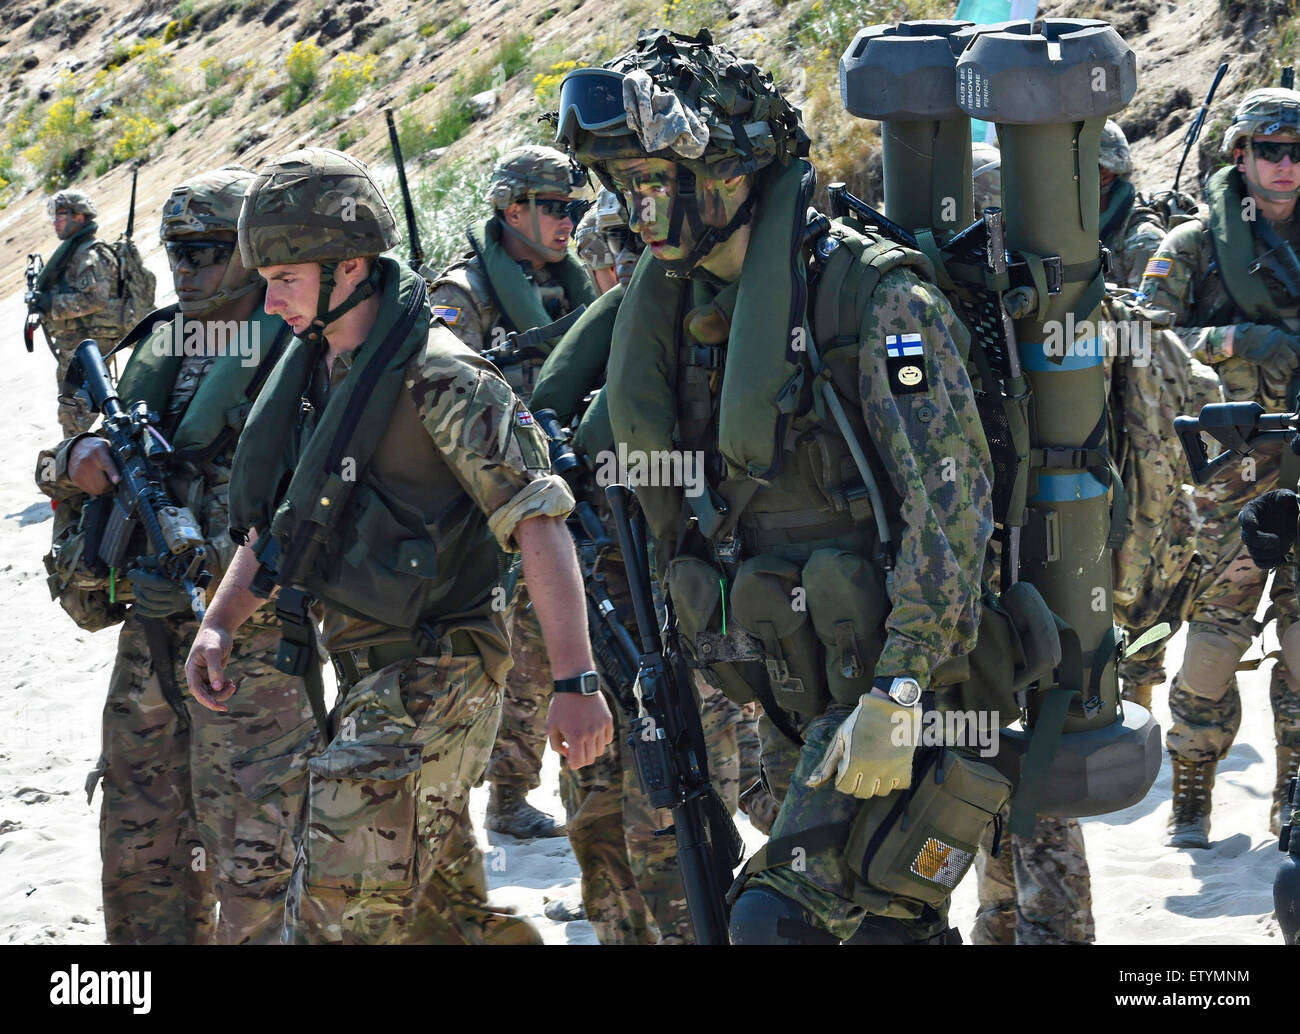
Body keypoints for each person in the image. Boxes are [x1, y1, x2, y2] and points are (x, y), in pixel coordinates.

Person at [557, 28, 995, 943]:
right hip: (786, 689)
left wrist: (903, 691)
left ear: (726, 171)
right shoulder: (674, 318)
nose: (640, 210)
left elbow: (951, 510)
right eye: (624, 185)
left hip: (896, 688)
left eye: (656, 182)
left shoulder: (875, 303)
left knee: (772, 923)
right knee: (881, 930)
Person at [184, 147, 612, 944]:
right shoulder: (324, 367)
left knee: (336, 917)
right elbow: (287, 521)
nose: (269, 299)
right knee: (443, 918)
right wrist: (220, 622)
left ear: (349, 268)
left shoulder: (443, 379)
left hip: (437, 671)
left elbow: (540, 522)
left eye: (285, 279)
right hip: (366, 670)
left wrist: (574, 681)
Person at [36, 166, 314, 944]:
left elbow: (315, 506)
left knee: (256, 863)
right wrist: (76, 460)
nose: (185, 270)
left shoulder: (297, 355)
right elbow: (64, 462)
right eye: (176, 252)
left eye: (205, 252)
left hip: (254, 655)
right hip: (149, 643)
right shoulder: (157, 347)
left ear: (254, 254)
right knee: (141, 845)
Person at [1136, 87, 1300, 846]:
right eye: (1271, 150)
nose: (1287, 166)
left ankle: (1293, 792)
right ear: (1240, 155)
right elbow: (1141, 346)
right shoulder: (1194, 247)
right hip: (1229, 473)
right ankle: (1193, 787)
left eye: (1297, 152)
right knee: (1211, 644)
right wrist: (1237, 341)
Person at [428, 145, 597, 838]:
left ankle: (571, 790)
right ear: (512, 207)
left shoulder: (574, 289)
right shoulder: (463, 296)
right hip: (496, 505)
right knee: (517, 657)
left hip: (574, 489)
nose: (569, 224)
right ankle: (504, 794)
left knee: (571, 648)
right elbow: (435, 401)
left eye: (575, 210)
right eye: (556, 209)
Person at [28, 190, 126, 437]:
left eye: (59, 215)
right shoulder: (73, 254)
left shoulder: (89, 255)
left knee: (76, 416)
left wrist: (50, 303)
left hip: (90, 345)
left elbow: (95, 299)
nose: (54, 222)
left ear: (79, 216)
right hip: (78, 345)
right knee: (76, 412)